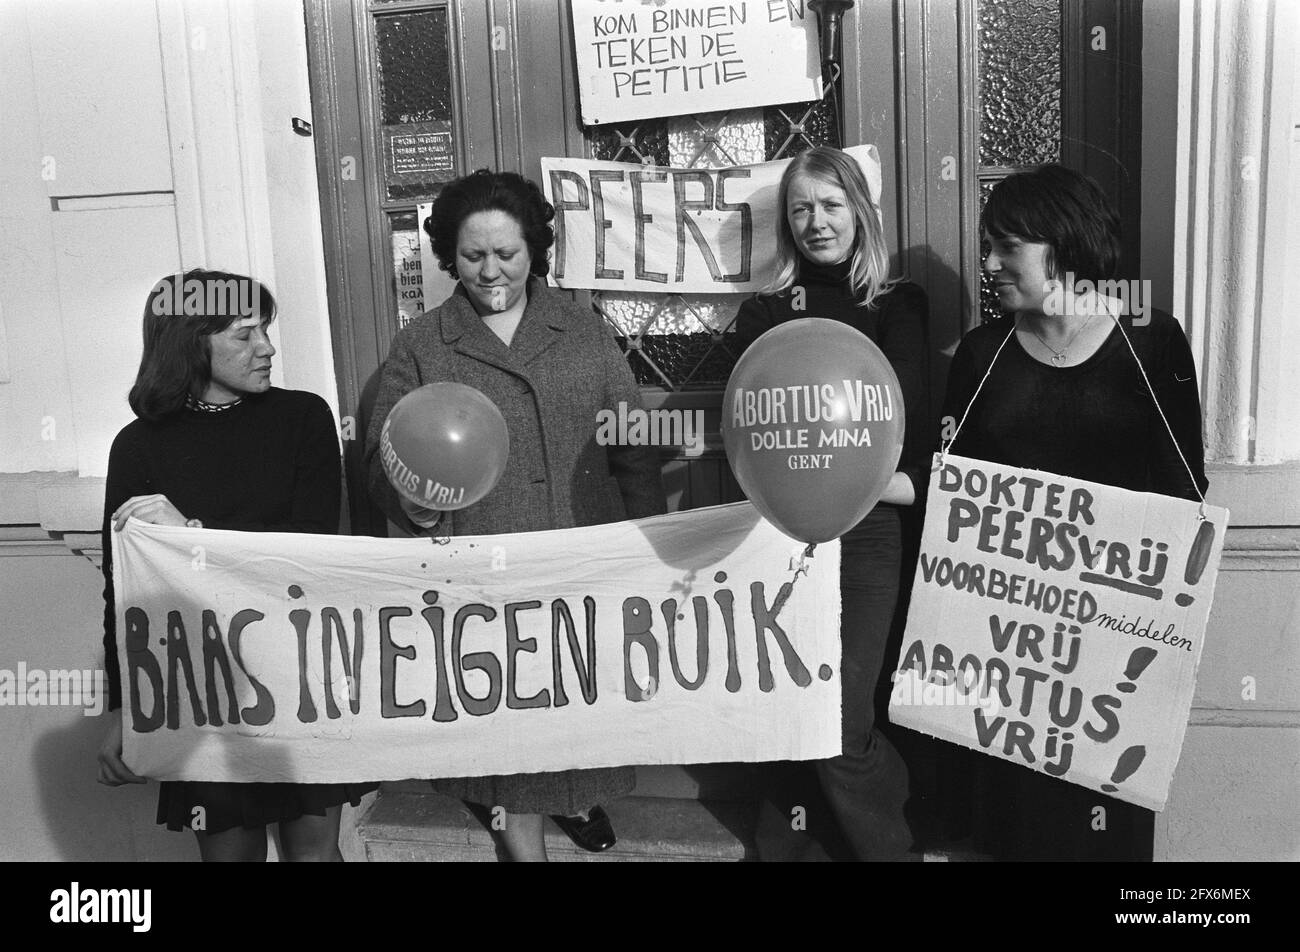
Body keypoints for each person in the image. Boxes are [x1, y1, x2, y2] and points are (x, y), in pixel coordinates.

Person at [363, 169, 667, 862]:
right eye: (473, 257)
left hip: (579, 573)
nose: (491, 270)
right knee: (504, 748)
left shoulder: (585, 331)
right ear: (447, 257)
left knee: (572, 734)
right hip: (482, 582)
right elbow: (383, 459)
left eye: (507, 253)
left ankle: (575, 803)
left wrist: (646, 548)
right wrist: (411, 501)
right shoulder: (423, 344)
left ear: (536, 248)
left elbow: (633, 451)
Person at [940, 163, 1208, 860]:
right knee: (1017, 828)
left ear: (1063, 245)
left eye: (1007, 248)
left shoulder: (1152, 342)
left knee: (1104, 830)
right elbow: (954, 496)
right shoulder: (980, 355)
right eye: (989, 246)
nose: (989, 263)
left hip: (1116, 656)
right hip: (1013, 651)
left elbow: (1186, 493)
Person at [97, 269, 375, 861]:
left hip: (300, 674)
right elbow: (122, 594)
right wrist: (125, 710)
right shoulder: (137, 445)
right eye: (245, 335)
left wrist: (191, 534)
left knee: (314, 854)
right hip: (200, 689)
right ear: (192, 342)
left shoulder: (303, 418)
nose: (267, 348)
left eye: (265, 331)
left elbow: (307, 552)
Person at [734, 146, 928, 861]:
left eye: (832, 205)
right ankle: (799, 841)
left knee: (845, 716)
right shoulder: (762, 313)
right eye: (801, 209)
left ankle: (891, 845)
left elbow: (905, 416)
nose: (817, 222)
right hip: (782, 537)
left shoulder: (898, 302)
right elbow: (751, 429)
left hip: (871, 531)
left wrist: (848, 479)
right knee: (792, 700)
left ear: (859, 211)